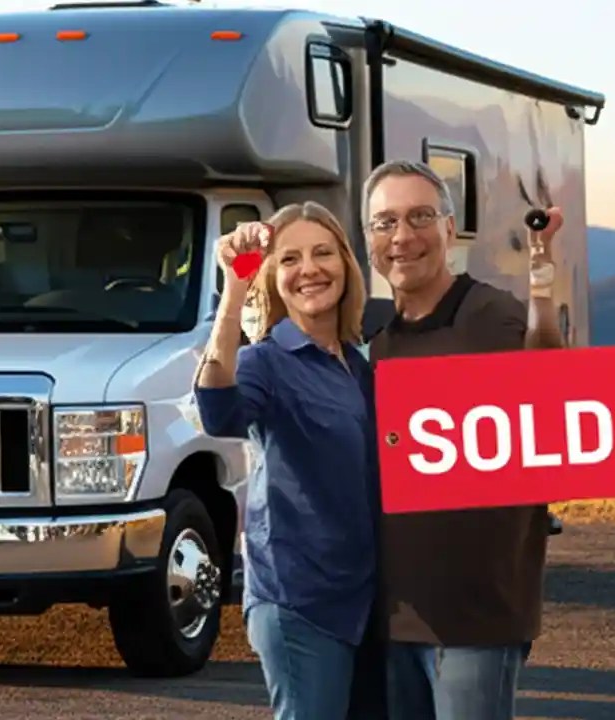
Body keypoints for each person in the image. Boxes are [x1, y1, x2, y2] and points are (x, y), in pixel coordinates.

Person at [360, 159, 566, 720]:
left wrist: (542, 279)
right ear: (369, 239)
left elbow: (553, 390)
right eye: (385, 222)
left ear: (450, 229)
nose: (402, 236)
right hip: (394, 618)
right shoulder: (375, 337)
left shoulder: (488, 315)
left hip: (474, 620)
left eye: (420, 217)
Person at [193, 202, 383, 719]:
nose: (309, 269)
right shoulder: (265, 362)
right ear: (273, 277)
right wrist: (235, 288)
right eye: (290, 259)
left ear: (346, 263)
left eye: (323, 253)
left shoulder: (360, 363)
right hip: (300, 598)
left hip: (368, 597)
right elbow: (217, 410)